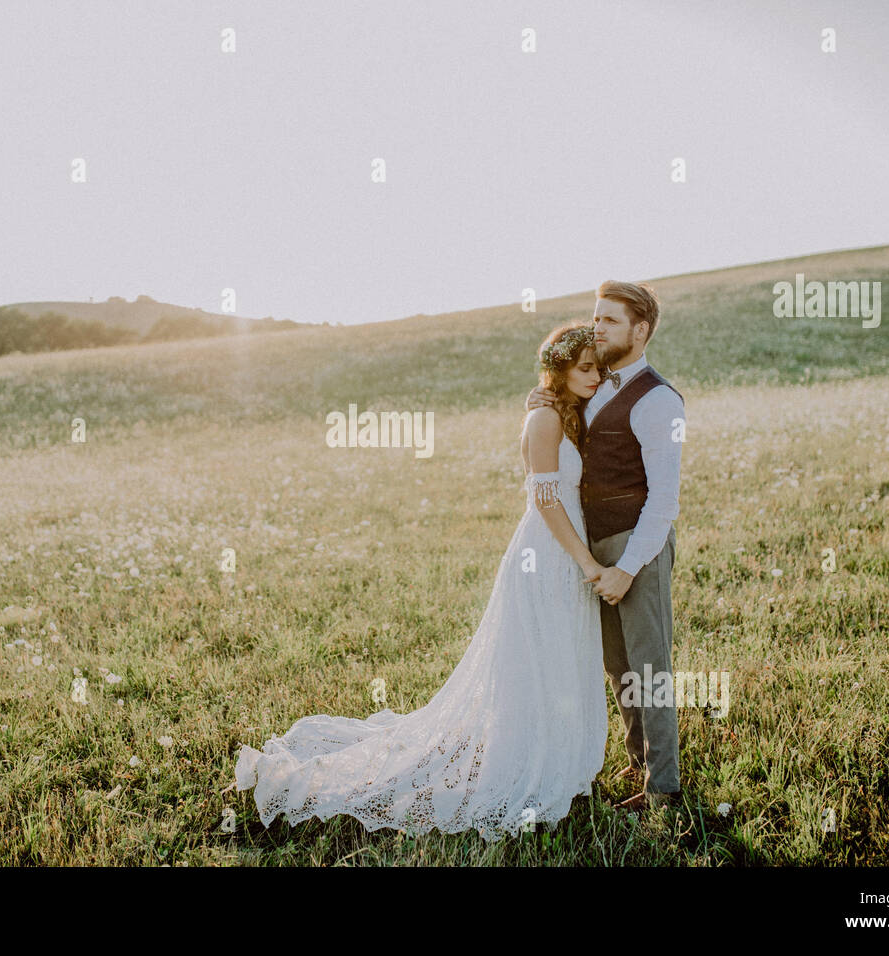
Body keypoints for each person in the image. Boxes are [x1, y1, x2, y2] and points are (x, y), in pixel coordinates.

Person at [232, 323, 608, 841]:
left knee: (561, 652)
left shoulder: (569, 411)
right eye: (584, 368)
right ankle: (526, 754)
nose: (594, 376)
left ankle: (558, 749)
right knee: (539, 655)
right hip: (549, 552)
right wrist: (587, 562)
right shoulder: (544, 419)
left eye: (597, 367)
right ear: (559, 369)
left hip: (566, 548)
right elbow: (545, 500)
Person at [526, 280, 685, 811]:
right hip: (593, 550)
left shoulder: (659, 400)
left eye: (611, 320)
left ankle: (663, 790)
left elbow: (664, 502)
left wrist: (628, 567)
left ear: (641, 331)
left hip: (637, 545)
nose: (598, 327)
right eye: (596, 317)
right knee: (617, 664)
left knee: (650, 666)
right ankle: (637, 758)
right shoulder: (596, 388)